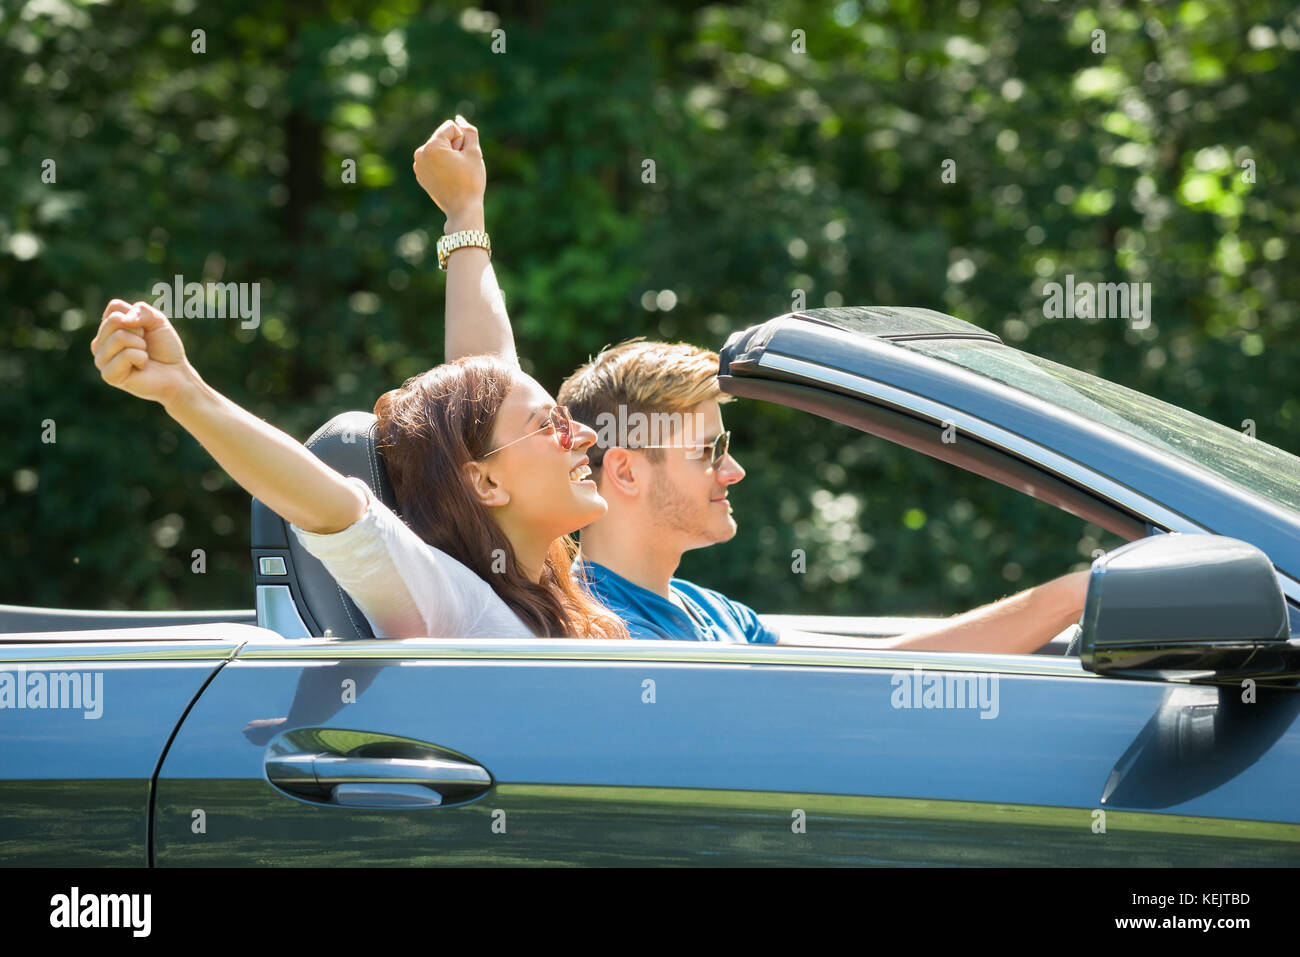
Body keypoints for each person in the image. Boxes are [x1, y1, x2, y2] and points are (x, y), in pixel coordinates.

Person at [438, 117, 1090, 653]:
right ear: (628, 471)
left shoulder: (706, 611)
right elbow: (485, 404)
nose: (735, 471)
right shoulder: (590, 624)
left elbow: (882, 671)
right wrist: (464, 220)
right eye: (709, 452)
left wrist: (1075, 594)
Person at [88, 118, 627, 641]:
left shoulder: (547, 594)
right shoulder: (451, 599)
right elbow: (337, 510)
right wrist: (185, 392)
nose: (583, 434)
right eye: (552, 425)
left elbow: (489, 386)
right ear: (486, 483)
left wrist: (465, 214)